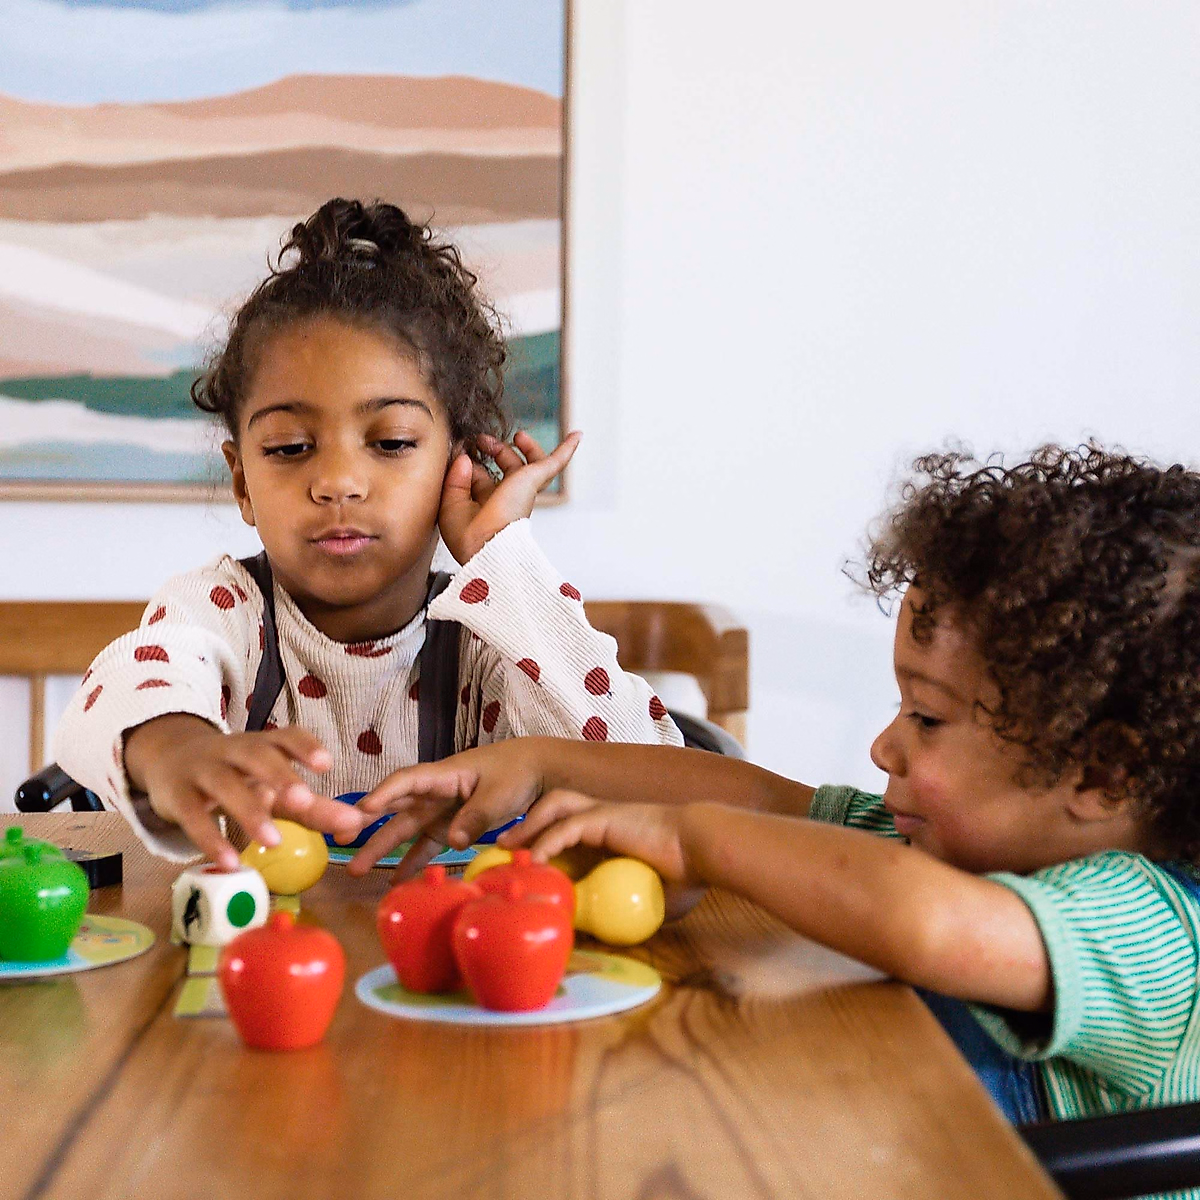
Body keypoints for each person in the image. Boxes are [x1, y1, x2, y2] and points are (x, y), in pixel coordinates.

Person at [346, 444, 1200, 1126]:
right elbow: (756, 795)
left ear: (1102, 772)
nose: (883, 745)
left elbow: (925, 924)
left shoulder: (1155, 928)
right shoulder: (954, 849)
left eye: (929, 719)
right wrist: (541, 762)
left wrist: (695, 844)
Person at [54, 197, 681, 870]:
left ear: (455, 466)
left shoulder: (491, 634)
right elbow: (119, 691)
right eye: (292, 447)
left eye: (390, 441)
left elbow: (653, 774)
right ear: (241, 481)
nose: (338, 482)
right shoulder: (221, 610)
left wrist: (504, 562)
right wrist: (175, 746)